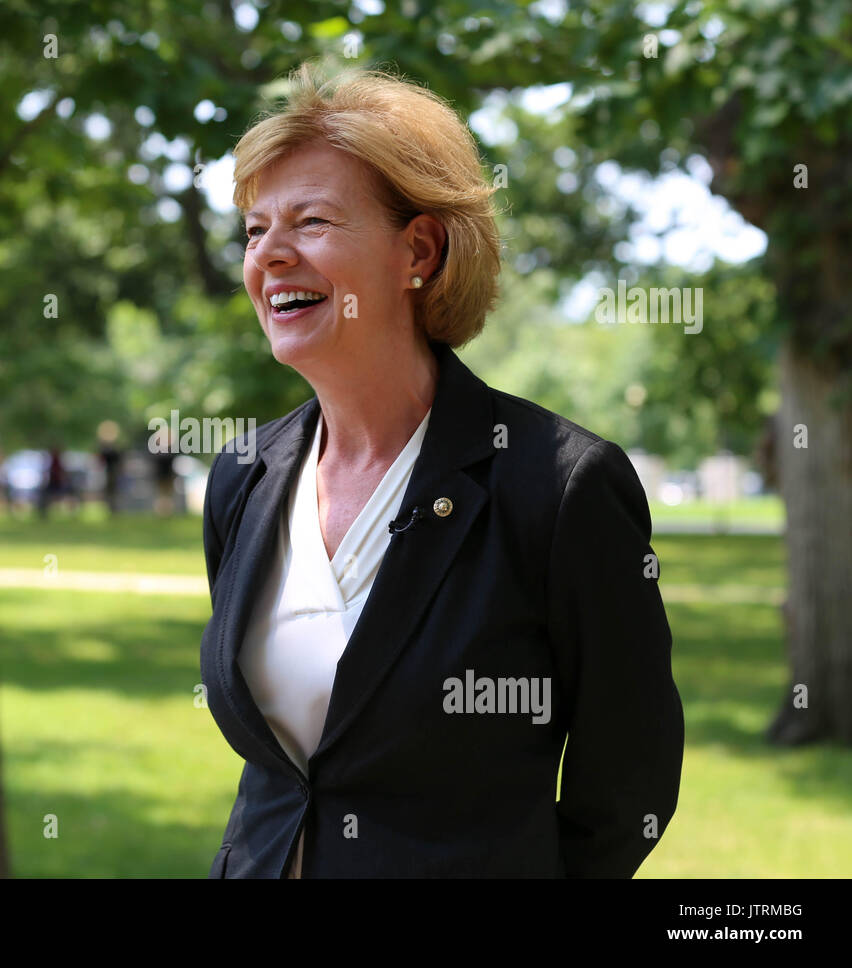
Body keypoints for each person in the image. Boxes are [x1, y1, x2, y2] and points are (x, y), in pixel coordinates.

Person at [200, 62, 684, 878]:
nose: (270, 255)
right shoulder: (243, 477)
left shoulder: (560, 486)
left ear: (417, 250)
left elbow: (629, 786)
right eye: (254, 230)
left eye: (311, 222)